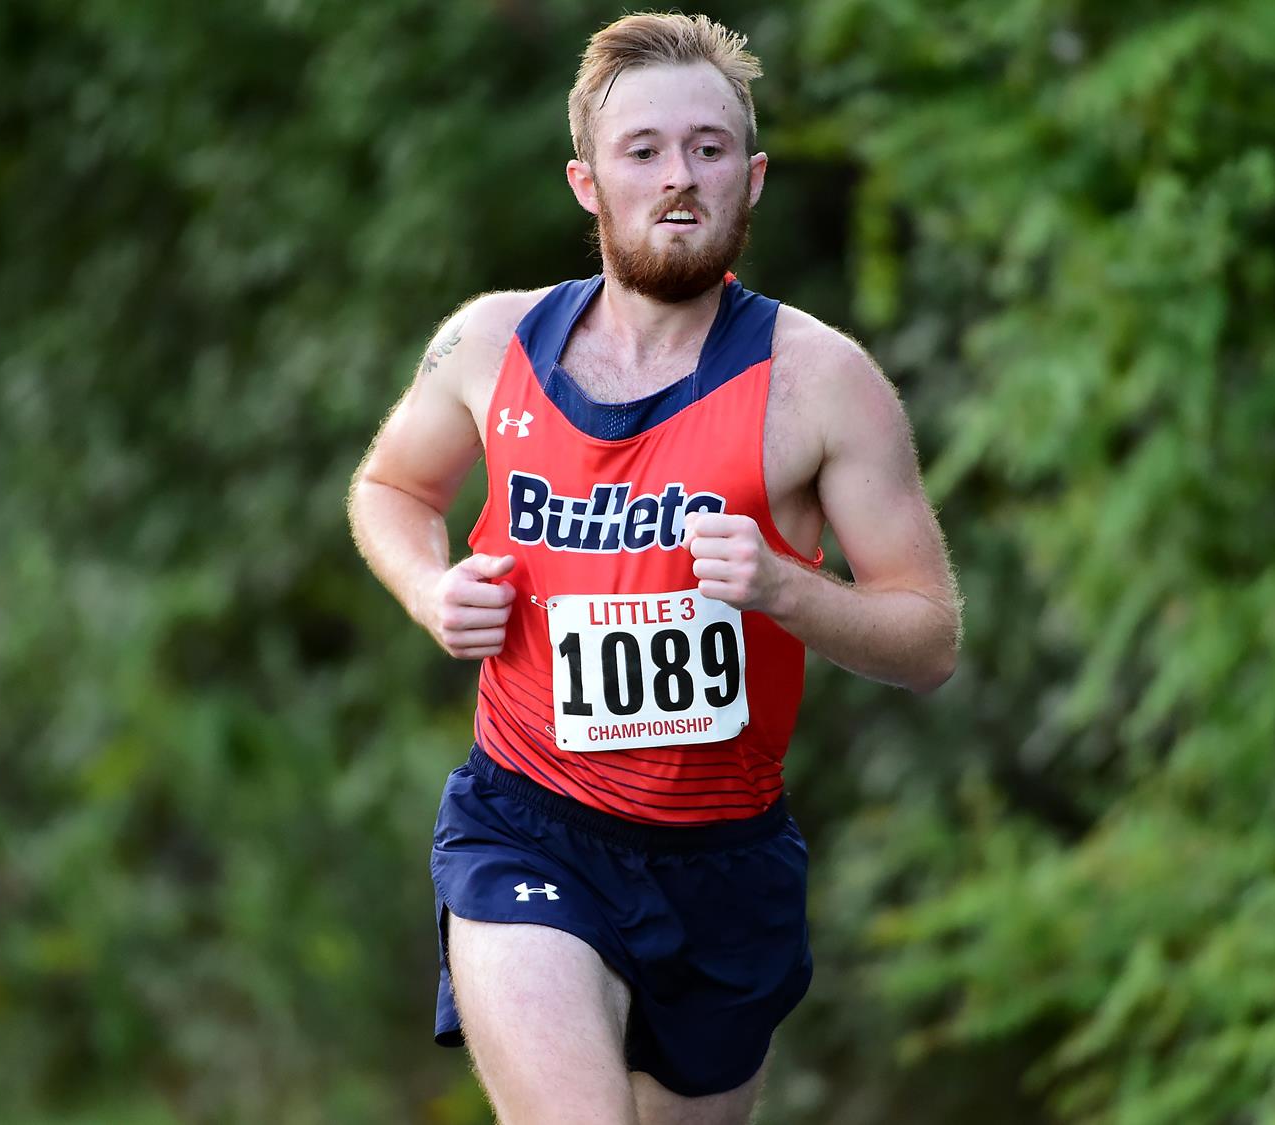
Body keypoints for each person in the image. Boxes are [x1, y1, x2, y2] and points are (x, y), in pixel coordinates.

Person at [347, 12, 959, 1124]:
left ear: (752, 177)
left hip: (722, 862)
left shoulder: (822, 384)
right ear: (587, 184)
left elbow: (926, 637)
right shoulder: (491, 344)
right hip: (527, 825)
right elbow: (389, 489)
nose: (679, 178)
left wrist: (786, 589)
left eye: (709, 149)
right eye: (644, 152)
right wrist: (430, 591)